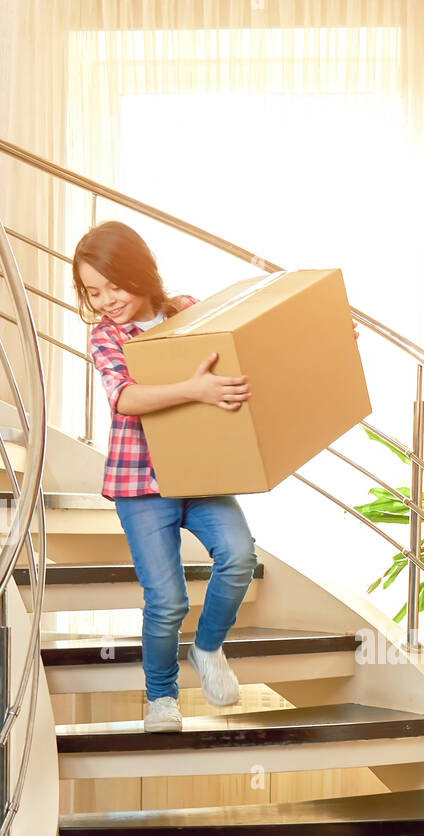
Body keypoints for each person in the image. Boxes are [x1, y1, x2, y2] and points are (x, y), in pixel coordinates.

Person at [74, 220, 258, 732]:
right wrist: (193, 391)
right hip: (139, 483)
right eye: (93, 291)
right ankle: (161, 696)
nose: (106, 299)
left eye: (115, 285)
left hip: (199, 473)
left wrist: (317, 336)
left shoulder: (186, 311)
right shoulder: (106, 335)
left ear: (140, 271)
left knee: (240, 556)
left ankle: (207, 646)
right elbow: (124, 398)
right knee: (168, 599)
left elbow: (244, 359)